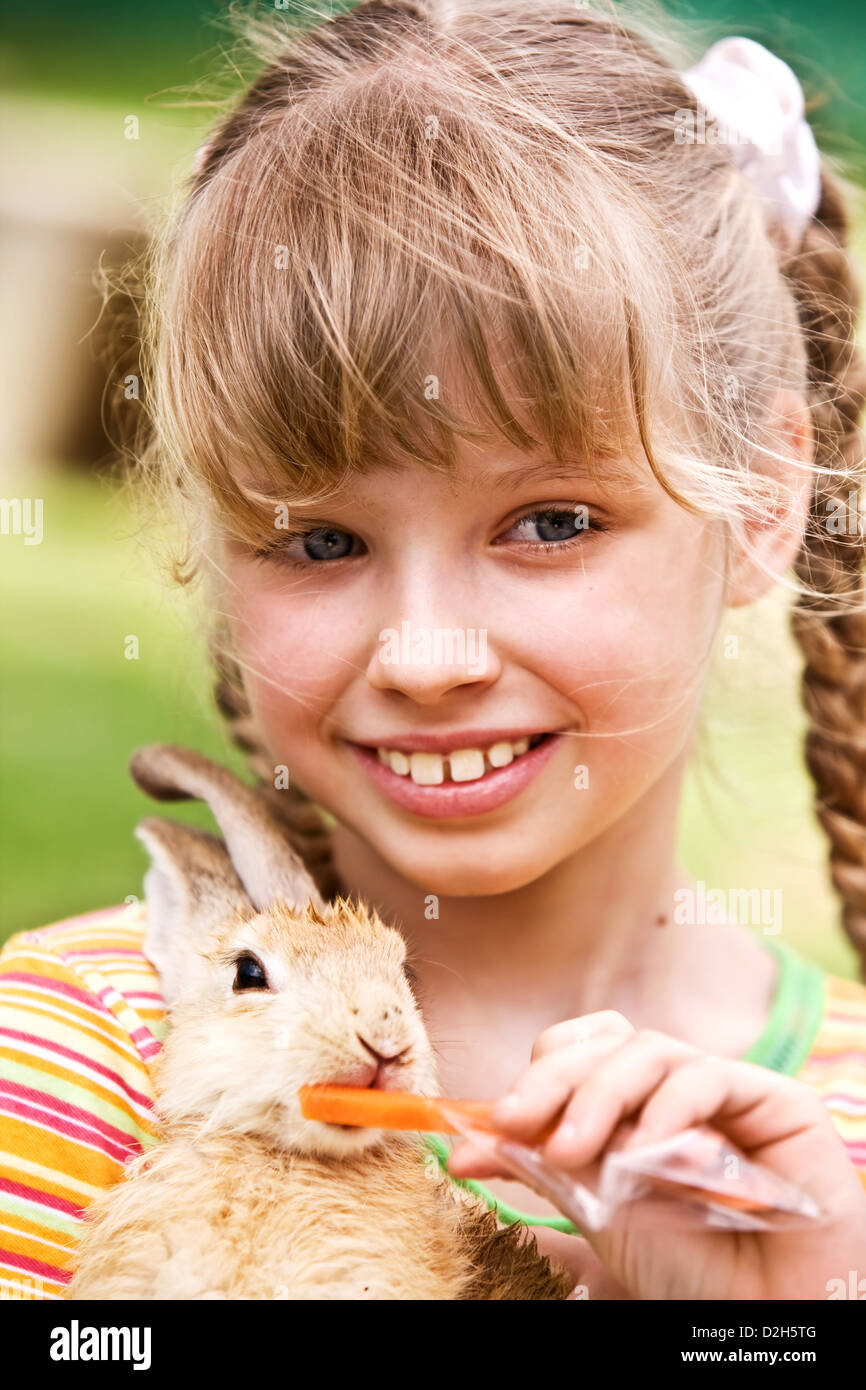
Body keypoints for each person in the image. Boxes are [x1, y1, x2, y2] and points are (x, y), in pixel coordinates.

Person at [3, 0, 866, 1300]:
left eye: (551, 523)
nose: (423, 653)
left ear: (759, 503)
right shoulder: (65, 1068)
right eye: (320, 541)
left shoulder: (822, 1174)